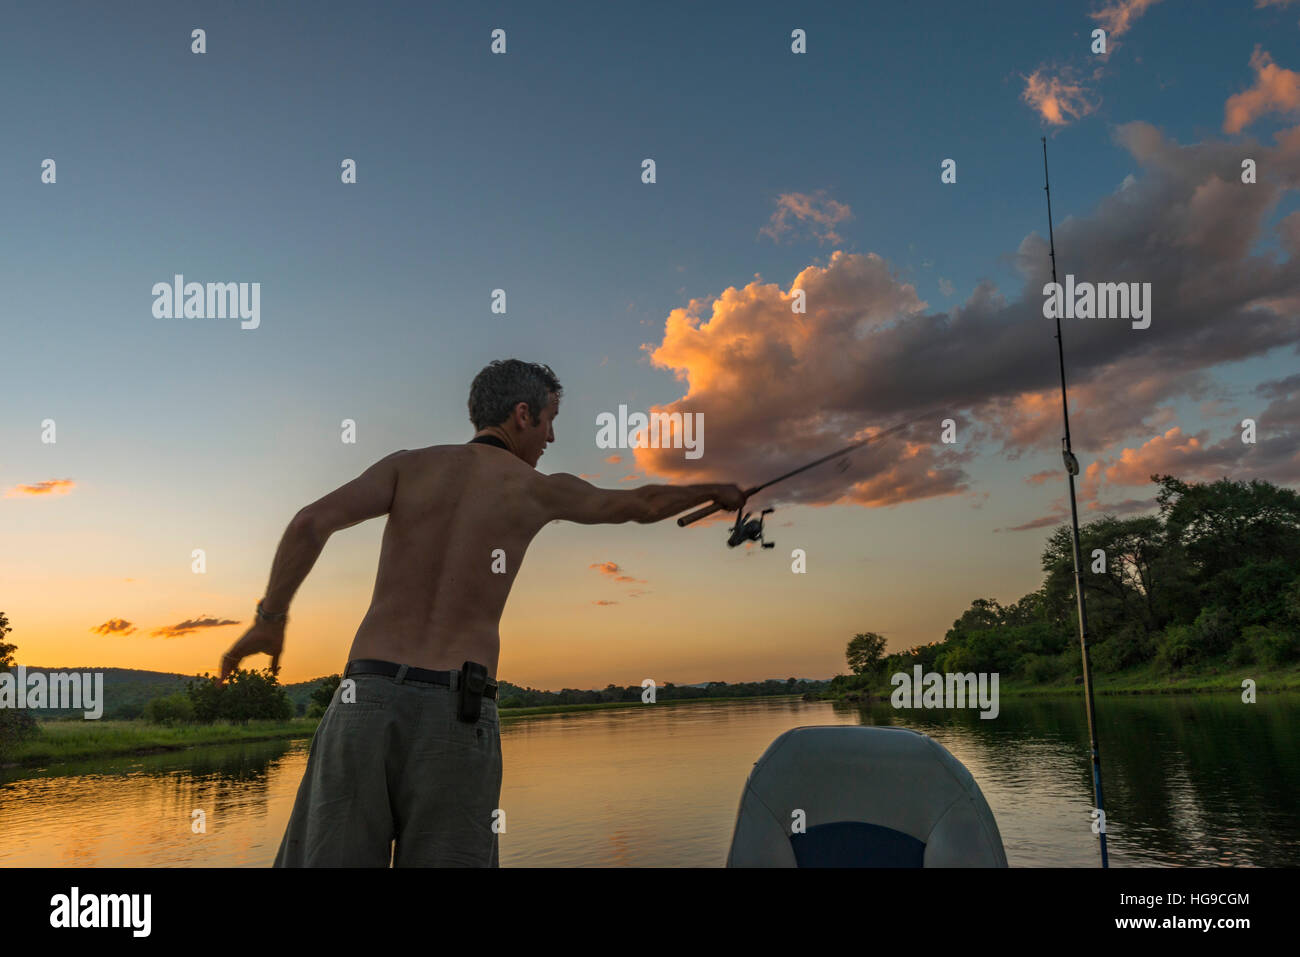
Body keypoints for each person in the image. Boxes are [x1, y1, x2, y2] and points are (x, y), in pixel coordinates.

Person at [218, 358, 745, 867]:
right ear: (523, 414)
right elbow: (643, 504)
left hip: (365, 699)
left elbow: (310, 523)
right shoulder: (538, 490)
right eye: (550, 421)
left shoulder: (408, 466)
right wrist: (713, 490)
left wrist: (270, 620)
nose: (551, 439)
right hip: (456, 711)